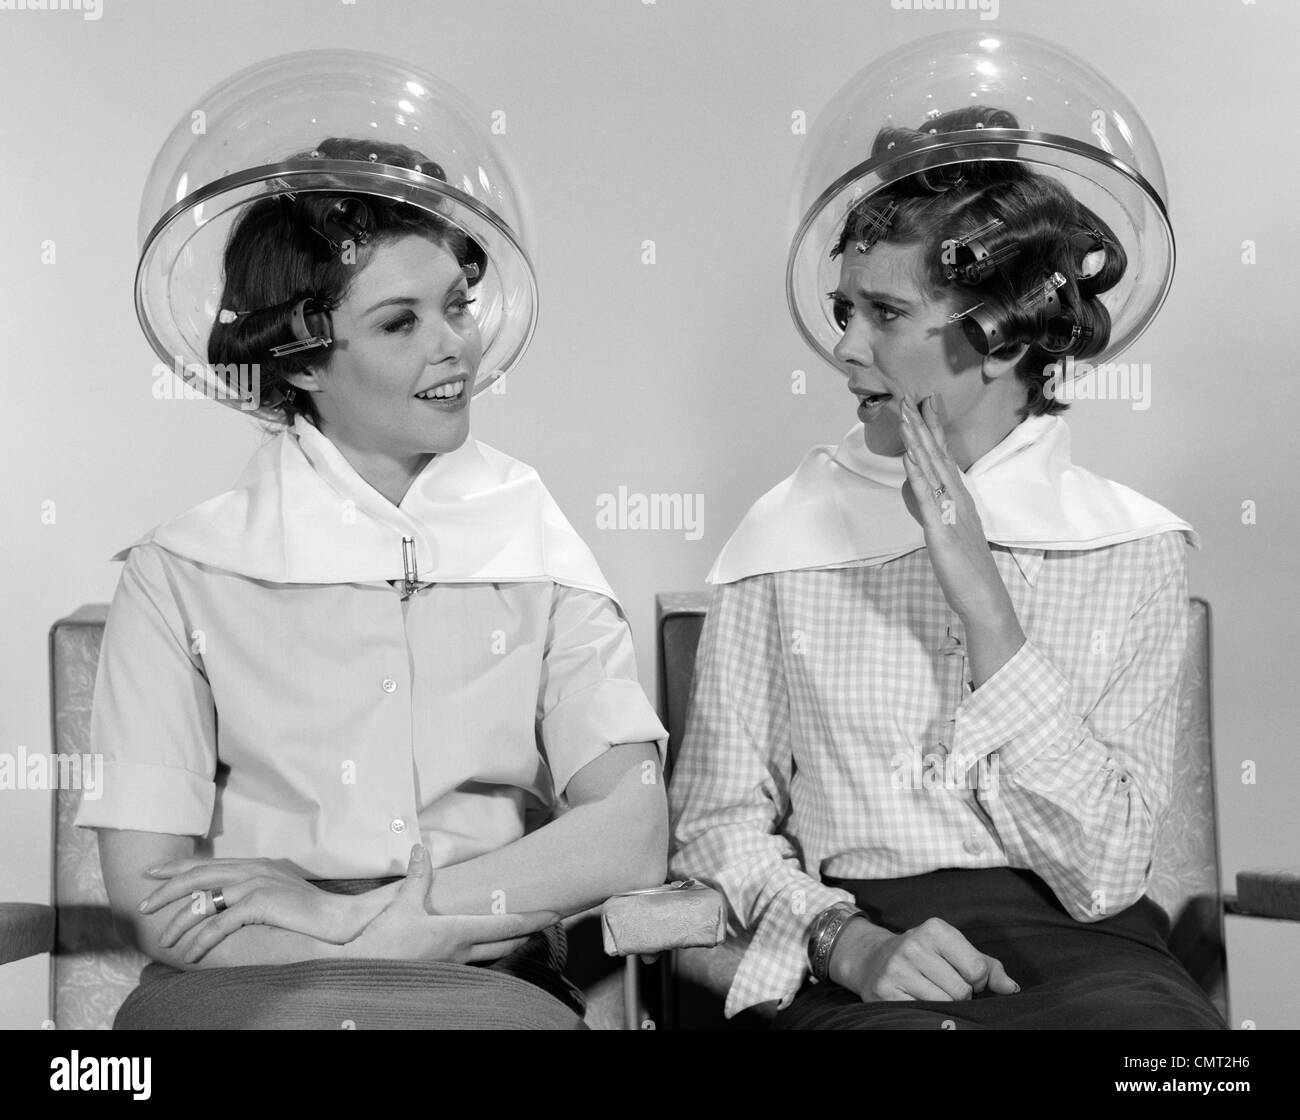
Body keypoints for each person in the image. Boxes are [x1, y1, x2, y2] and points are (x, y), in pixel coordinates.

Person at [77, 137, 669, 1030]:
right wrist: (375, 938)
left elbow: (632, 832)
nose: (456, 349)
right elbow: (153, 898)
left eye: (458, 308)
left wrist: (360, 918)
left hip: (487, 977)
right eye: (402, 322)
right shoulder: (179, 571)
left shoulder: (538, 541)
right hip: (244, 980)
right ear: (300, 358)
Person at [667, 105, 1226, 1029]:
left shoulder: (1133, 547)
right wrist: (846, 943)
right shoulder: (785, 536)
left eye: (885, 313)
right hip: (865, 956)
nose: (844, 348)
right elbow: (713, 831)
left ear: (1004, 336)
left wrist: (989, 616)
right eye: (847, 309)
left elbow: (1104, 875)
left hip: (1099, 961)